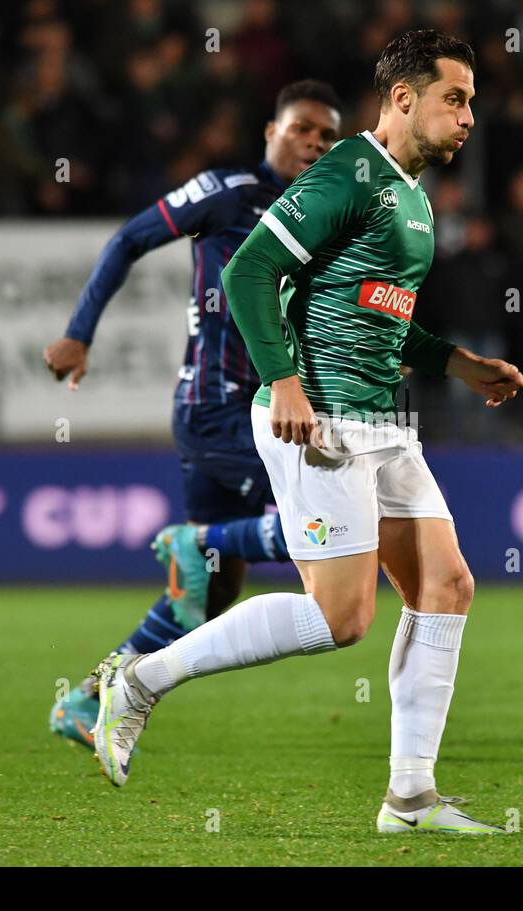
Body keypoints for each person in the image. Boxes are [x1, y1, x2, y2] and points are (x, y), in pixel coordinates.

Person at [90, 30, 523, 835]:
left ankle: (410, 799)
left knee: (448, 585)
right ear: (403, 99)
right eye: (455, 98)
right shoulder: (349, 172)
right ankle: (141, 681)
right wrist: (285, 380)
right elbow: (248, 270)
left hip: (383, 420)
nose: (470, 116)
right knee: (342, 618)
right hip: (318, 417)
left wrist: (457, 362)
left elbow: (382, 322)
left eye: (472, 101)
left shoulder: (415, 196)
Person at [42, 81, 342, 747]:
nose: (315, 144)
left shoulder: (325, 218)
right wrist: (80, 333)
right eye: (303, 130)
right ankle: (189, 543)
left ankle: (88, 700)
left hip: (261, 409)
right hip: (218, 408)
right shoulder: (230, 191)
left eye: (327, 137)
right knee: (326, 521)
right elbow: (128, 240)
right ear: (271, 131)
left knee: (212, 590)